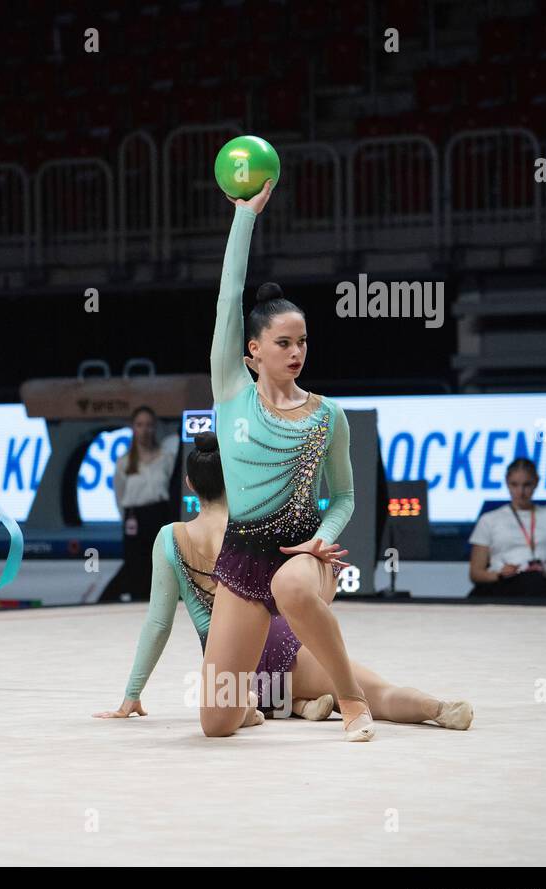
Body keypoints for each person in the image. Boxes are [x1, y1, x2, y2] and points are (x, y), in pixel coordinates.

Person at [93, 433, 473, 732]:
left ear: (191, 484)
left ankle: (260, 708)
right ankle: (435, 708)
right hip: (280, 644)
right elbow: (298, 592)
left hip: (227, 656)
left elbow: (158, 624)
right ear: (237, 480)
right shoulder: (258, 526)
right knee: (374, 692)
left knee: (229, 705)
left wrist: (132, 695)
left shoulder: (169, 538)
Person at [203, 180, 374, 741]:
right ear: (252, 351)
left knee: (294, 589)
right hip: (242, 557)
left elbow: (345, 495)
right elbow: (230, 297)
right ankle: (267, 704)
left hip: (305, 554)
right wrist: (244, 218)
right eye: (282, 343)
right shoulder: (231, 394)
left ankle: (352, 703)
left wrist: (323, 538)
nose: (296, 352)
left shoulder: (328, 416)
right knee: (216, 722)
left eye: (302, 341)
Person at [101, 407, 179, 602]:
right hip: (135, 518)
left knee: (159, 567)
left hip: (159, 515)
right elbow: (119, 494)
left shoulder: (165, 458)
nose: (145, 430)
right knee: (135, 568)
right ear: (133, 428)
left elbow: (171, 488)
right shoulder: (124, 462)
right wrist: (128, 517)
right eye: (140, 425)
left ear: (155, 428)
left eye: (149, 425)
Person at [468, 457, 546, 598]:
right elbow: (475, 573)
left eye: (527, 485)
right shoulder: (489, 520)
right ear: (507, 483)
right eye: (514, 485)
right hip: (503, 585)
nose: (521, 491)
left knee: (535, 582)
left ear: (536, 482)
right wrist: (499, 574)